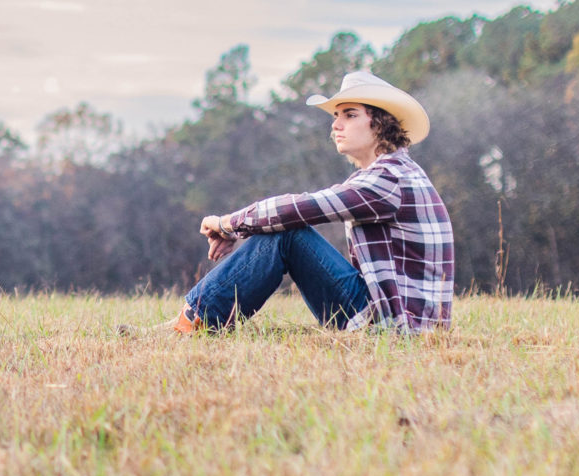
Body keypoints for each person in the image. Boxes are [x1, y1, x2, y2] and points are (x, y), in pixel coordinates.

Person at [167, 70, 453, 334]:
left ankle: (195, 320)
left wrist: (228, 224)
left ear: (380, 123)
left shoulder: (388, 180)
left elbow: (298, 208)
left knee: (289, 232)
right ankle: (195, 316)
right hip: (399, 320)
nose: (336, 124)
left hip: (394, 326)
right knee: (287, 228)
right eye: (337, 115)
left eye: (350, 115)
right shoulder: (395, 173)